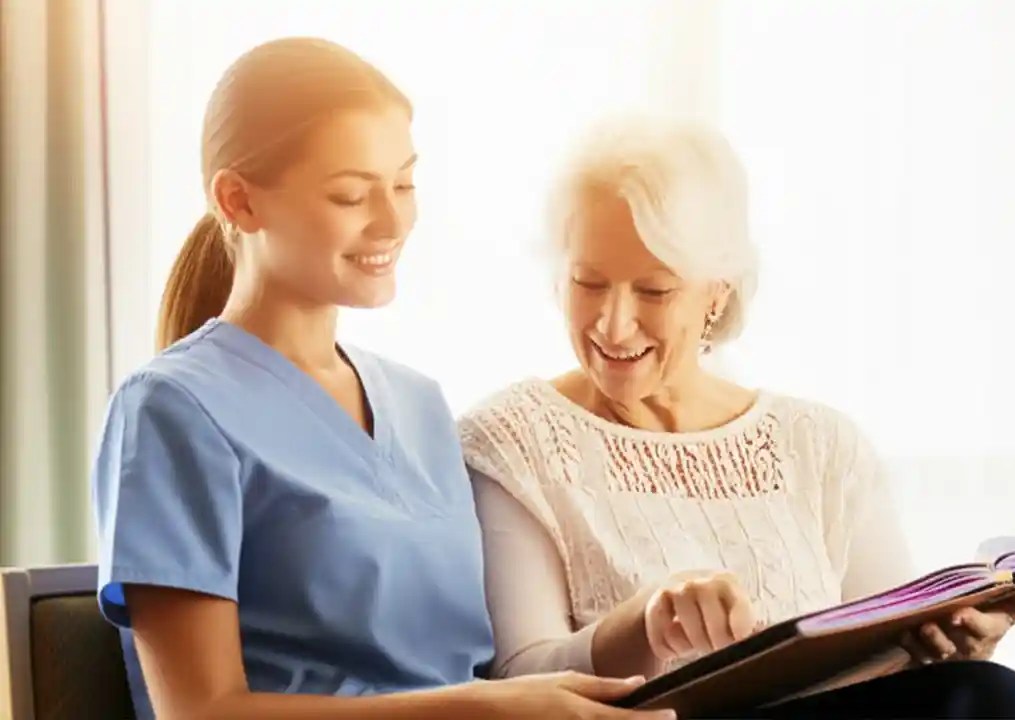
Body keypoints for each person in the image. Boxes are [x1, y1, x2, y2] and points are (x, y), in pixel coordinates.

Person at [91, 38, 675, 720]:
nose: (394, 220)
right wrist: (484, 713)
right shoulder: (172, 411)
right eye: (350, 194)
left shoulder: (420, 405)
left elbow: (487, 672)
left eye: (403, 184)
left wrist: (644, 631)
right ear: (239, 202)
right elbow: (201, 711)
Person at [458, 115, 1015, 718]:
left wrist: (953, 647)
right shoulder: (512, 439)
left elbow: (891, 657)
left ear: (716, 291)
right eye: (588, 282)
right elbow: (522, 682)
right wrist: (646, 625)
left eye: (654, 291)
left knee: (995, 697)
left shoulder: (820, 446)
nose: (613, 325)